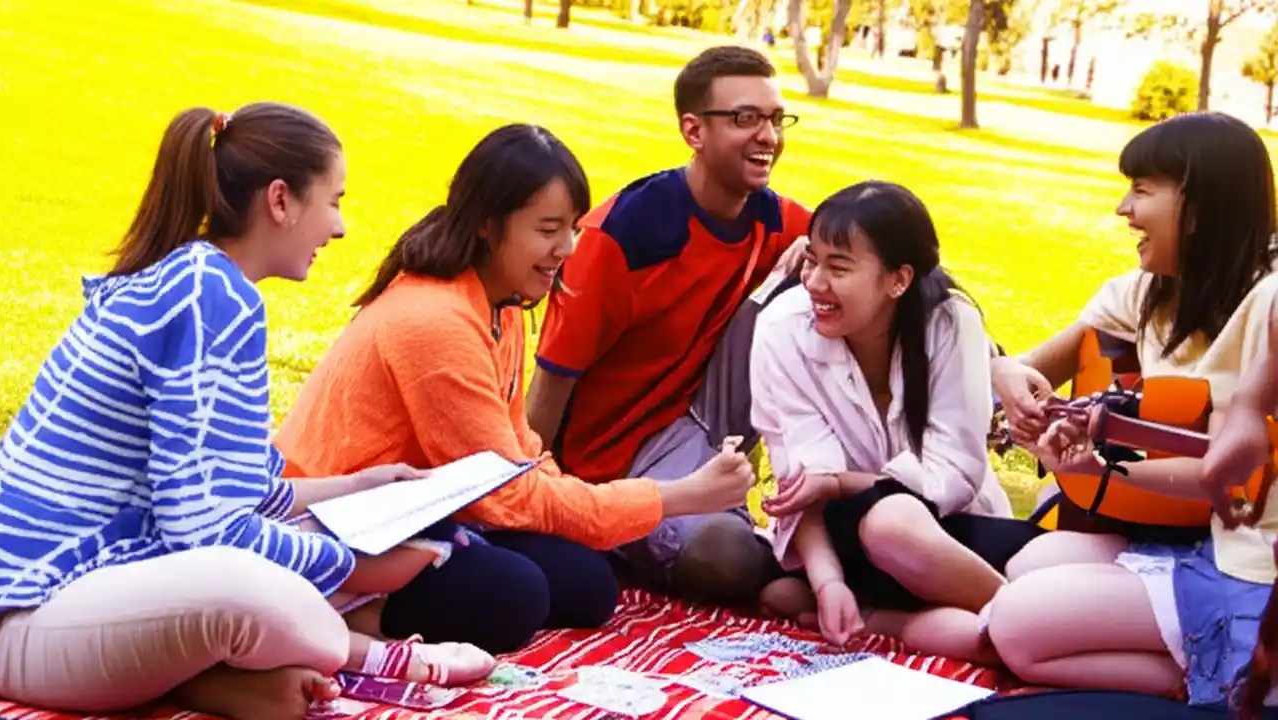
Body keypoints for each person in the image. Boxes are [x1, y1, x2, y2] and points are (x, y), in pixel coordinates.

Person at [0, 103, 493, 720]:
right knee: (256, 589)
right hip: (28, 608)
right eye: (334, 201)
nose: (339, 228)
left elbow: (232, 488)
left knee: (299, 550)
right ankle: (384, 659)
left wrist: (354, 488)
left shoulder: (197, 276)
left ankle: (213, 682)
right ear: (280, 201)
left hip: (77, 590)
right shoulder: (211, 295)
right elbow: (203, 535)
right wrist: (355, 566)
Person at [272, 123, 754, 655]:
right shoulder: (434, 319)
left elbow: (519, 455)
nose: (566, 249)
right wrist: (679, 496)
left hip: (428, 509)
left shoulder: (499, 301)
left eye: (572, 228)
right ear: (487, 225)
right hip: (342, 527)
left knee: (589, 585)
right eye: (549, 230)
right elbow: (508, 496)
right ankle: (358, 613)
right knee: (514, 597)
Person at [985, 112, 1278, 708]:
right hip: (1194, 537)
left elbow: (1237, 485)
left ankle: (1227, 669)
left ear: (1198, 209)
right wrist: (1007, 374)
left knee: (1016, 624)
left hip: (1251, 559)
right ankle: (1204, 666)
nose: (1123, 209)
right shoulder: (1146, 293)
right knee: (1029, 564)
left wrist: (1099, 470)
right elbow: (1035, 367)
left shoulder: (1266, 301)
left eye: (1142, 191)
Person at [526, 45, 811, 606]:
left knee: (830, 270)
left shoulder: (775, 218)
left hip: (700, 421)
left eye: (776, 120)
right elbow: (548, 393)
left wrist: (993, 363)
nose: (768, 137)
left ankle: (827, 524)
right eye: (745, 118)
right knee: (724, 559)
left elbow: (891, 256)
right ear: (693, 130)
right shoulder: (622, 237)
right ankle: (654, 542)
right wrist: (541, 506)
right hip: (606, 462)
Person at [749, 181, 1039, 661]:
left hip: (946, 536)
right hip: (846, 541)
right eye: (811, 260)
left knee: (892, 524)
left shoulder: (950, 322)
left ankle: (1013, 618)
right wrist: (828, 583)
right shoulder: (783, 328)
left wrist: (841, 482)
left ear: (898, 280)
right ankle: (902, 616)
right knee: (793, 588)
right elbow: (798, 481)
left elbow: (953, 474)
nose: (815, 282)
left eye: (838, 267)